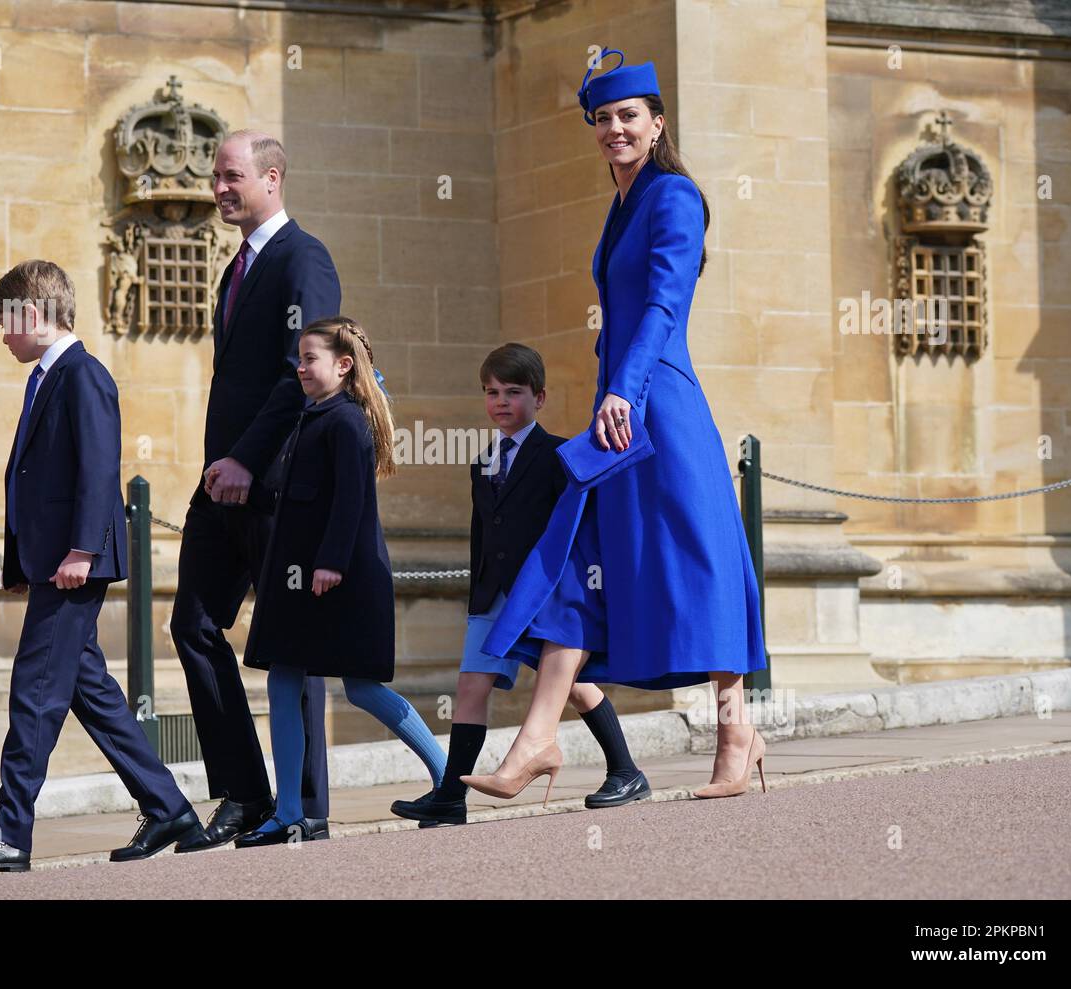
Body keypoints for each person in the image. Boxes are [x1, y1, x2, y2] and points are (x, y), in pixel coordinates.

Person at [462, 50, 769, 804]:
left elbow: (665, 307)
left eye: (629, 115)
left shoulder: (674, 197)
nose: (614, 129)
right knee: (572, 561)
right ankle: (537, 739)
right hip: (622, 405)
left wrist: (624, 392)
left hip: (659, 407)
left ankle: (737, 733)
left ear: (657, 121)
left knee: (704, 565)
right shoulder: (621, 202)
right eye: (602, 119)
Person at [0, 261, 204, 873]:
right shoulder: (46, 377)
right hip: (54, 563)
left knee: (32, 693)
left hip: (74, 563)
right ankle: (169, 810)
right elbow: (28, 478)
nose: (2, 337)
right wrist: (20, 562)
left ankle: (10, 832)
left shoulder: (83, 375)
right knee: (92, 694)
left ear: (31, 314)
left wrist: (81, 550)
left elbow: (98, 467)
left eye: (4, 323)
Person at [390, 343, 650, 827]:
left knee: (572, 685)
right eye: (491, 392)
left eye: (513, 391)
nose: (501, 401)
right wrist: (476, 599)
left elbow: (575, 529)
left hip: (545, 592)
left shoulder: (559, 456)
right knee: (471, 685)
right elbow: (481, 535)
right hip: (493, 594)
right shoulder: (482, 461)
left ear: (540, 398)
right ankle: (451, 796)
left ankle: (626, 770)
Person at [170, 132, 340, 853]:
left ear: (273, 177)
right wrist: (221, 465)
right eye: (217, 178)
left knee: (289, 638)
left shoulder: (305, 258)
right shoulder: (234, 269)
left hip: (276, 481)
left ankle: (304, 806)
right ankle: (244, 793)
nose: (219, 189)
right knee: (193, 624)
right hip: (225, 484)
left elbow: (301, 373)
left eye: (231, 176)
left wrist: (246, 459)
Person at [235, 317, 447, 846]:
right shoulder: (313, 417)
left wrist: (330, 563)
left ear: (343, 365)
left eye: (310, 359)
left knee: (362, 688)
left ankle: (450, 779)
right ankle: (288, 813)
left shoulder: (347, 421)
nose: (300, 368)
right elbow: (299, 498)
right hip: (297, 581)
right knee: (283, 680)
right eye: (299, 359)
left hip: (337, 579)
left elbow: (352, 500)